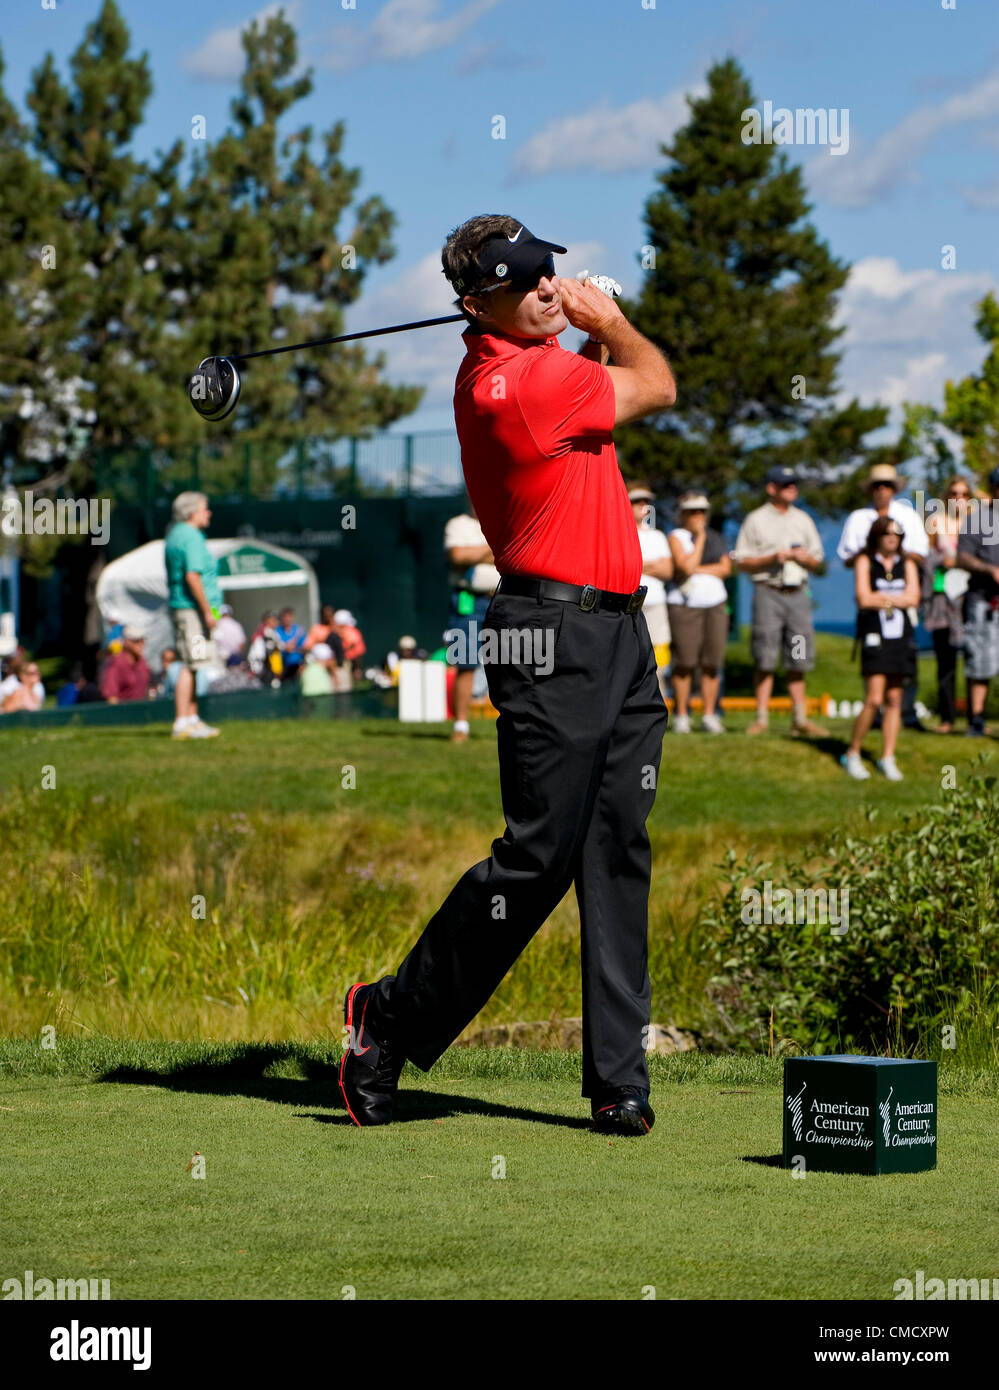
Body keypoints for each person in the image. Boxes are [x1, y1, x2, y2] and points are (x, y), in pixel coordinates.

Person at [338, 214, 675, 1136]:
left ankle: (618, 1080)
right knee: (537, 857)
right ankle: (387, 1018)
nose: (544, 288)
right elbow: (656, 383)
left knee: (615, 847)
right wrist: (608, 321)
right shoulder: (525, 383)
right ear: (477, 304)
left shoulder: (526, 361)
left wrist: (578, 327)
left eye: (547, 271)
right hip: (552, 633)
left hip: (618, 629)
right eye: (523, 282)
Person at [733, 466, 827, 737]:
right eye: (786, 484)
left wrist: (803, 558)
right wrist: (772, 558)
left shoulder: (803, 519)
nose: (792, 488)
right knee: (764, 655)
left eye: (794, 484)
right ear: (771, 488)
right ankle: (761, 718)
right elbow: (742, 561)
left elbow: (818, 560)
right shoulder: (756, 520)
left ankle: (800, 718)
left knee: (798, 656)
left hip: (798, 594)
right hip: (768, 591)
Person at [837, 463, 928, 732]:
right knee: (875, 662)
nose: (882, 490)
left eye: (887, 485)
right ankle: (874, 713)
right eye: (877, 485)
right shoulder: (858, 518)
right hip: (872, 601)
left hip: (900, 598)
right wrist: (872, 552)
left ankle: (907, 711)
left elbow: (920, 554)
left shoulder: (908, 516)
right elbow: (848, 559)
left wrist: (895, 558)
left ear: (894, 489)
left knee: (903, 660)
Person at [841, 517, 921, 781]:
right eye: (887, 534)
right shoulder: (865, 561)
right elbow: (863, 598)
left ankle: (887, 756)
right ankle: (853, 752)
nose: (892, 538)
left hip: (901, 636)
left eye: (896, 534)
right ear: (877, 536)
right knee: (875, 698)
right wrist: (896, 599)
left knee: (895, 698)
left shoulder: (907, 563)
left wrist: (882, 598)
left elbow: (914, 597)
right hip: (875, 634)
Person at [666, 491, 731, 733]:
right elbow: (685, 566)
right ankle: (682, 714)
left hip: (715, 604)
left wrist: (697, 569)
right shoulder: (676, 536)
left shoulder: (718, 538)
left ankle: (709, 714)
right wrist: (700, 538)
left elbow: (725, 569)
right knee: (685, 661)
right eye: (693, 511)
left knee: (712, 662)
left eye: (702, 511)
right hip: (684, 606)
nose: (698, 516)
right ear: (682, 514)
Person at [164, 492, 221, 739]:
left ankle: (193, 719)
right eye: (204, 509)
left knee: (195, 664)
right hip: (192, 612)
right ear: (191, 512)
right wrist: (208, 611)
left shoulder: (176, 534)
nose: (208, 513)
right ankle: (183, 721)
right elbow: (193, 576)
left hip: (186, 609)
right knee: (191, 665)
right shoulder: (192, 537)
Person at [443, 501, 501, 742]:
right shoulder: (458, 524)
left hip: (503, 598)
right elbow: (457, 556)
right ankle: (461, 726)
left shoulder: (503, 521)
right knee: (465, 662)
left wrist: (475, 554)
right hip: (469, 600)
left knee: (512, 662)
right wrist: (493, 548)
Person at [923, 475, 973, 732]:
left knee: (975, 657)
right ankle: (947, 718)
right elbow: (926, 556)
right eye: (954, 493)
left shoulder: (978, 522)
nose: (958, 499)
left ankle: (975, 718)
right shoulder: (936, 522)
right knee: (945, 659)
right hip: (943, 598)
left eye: (964, 494)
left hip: (971, 596)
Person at [955, 465, 999, 737]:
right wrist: (989, 570)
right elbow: (962, 557)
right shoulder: (978, 519)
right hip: (984, 600)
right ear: (993, 488)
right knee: (980, 660)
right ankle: (976, 719)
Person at [628, 484, 672, 702]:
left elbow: (668, 570)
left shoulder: (657, 536)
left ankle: (660, 698)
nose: (642, 506)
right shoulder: (620, 534)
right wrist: (652, 565)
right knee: (629, 654)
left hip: (655, 601)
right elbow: (622, 567)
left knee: (659, 650)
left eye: (645, 501)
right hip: (628, 602)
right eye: (636, 501)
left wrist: (638, 565)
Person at [100, 626, 151, 703]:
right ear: (127, 642)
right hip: (123, 709)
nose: (141, 644)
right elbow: (111, 697)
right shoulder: (116, 663)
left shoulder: (142, 662)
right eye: (136, 640)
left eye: (143, 640)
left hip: (142, 708)